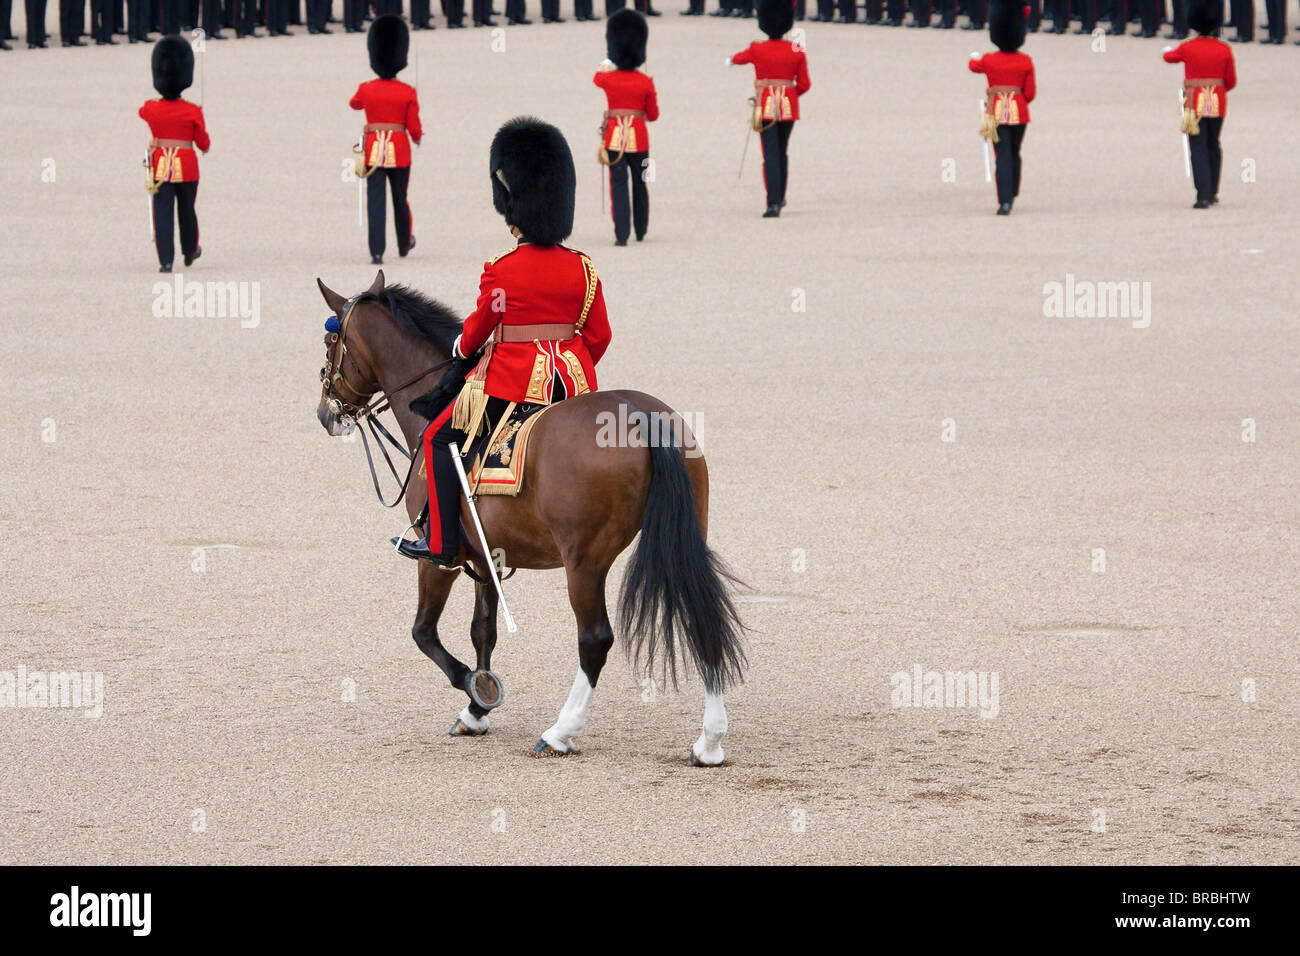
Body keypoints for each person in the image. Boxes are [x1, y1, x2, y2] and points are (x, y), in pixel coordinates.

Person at [394, 118, 613, 567]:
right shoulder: (583, 267)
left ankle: (442, 543)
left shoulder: (502, 268)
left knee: (438, 437)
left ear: (514, 209)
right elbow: (599, 336)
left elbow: (477, 329)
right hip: (571, 381)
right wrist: (570, 361)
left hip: (512, 383)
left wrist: (458, 349)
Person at [350, 15, 422, 265]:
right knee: (400, 199)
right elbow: (413, 126)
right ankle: (404, 243)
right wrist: (418, 137)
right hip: (400, 151)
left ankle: (377, 251)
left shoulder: (366, 88)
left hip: (373, 152)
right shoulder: (407, 91)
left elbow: (354, 103)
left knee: (376, 202)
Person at [728, 0, 811, 218]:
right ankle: (780, 196)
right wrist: (789, 93)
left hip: (766, 106)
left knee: (770, 154)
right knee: (782, 151)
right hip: (788, 108)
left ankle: (773, 202)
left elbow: (738, 58)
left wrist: (728, 60)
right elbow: (804, 85)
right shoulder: (796, 49)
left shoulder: (758, 48)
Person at [141, 36, 210, 272]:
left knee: (162, 214)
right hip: (188, 166)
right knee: (187, 211)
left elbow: (143, 111)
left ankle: (166, 261)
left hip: (161, 167)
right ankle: (190, 250)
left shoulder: (151, 109)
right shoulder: (193, 111)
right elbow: (203, 142)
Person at [595, 10, 658, 246]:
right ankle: (641, 230)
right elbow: (653, 115)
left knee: (618, 186)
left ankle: (622, 235)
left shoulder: (608, 80)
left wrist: (609, 60)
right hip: (639, 140)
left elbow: (597, 77)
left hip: (614, 139)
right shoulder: (645, 81)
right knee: (640, 184)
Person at [1164, 0, 1235, 207]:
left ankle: (1202, 194)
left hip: (1195, 101)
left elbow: (1169, 57)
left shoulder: (1188, 47)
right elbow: (1230, 81)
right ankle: (1212, 191)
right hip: (1217, 101)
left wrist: (1165, 50)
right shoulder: (1224, 49)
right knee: (1213, 144)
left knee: (1198, 147)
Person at [969, 0, 1034, 215]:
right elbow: (1030, 94)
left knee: (1002, 156)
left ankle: (1004, 201)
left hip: (996, 112)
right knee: (1015, 153)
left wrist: (974, 56)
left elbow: (973, 66)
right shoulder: (1025, 61)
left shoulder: (989, 60)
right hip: (1019, 113)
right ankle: (1013, 192)